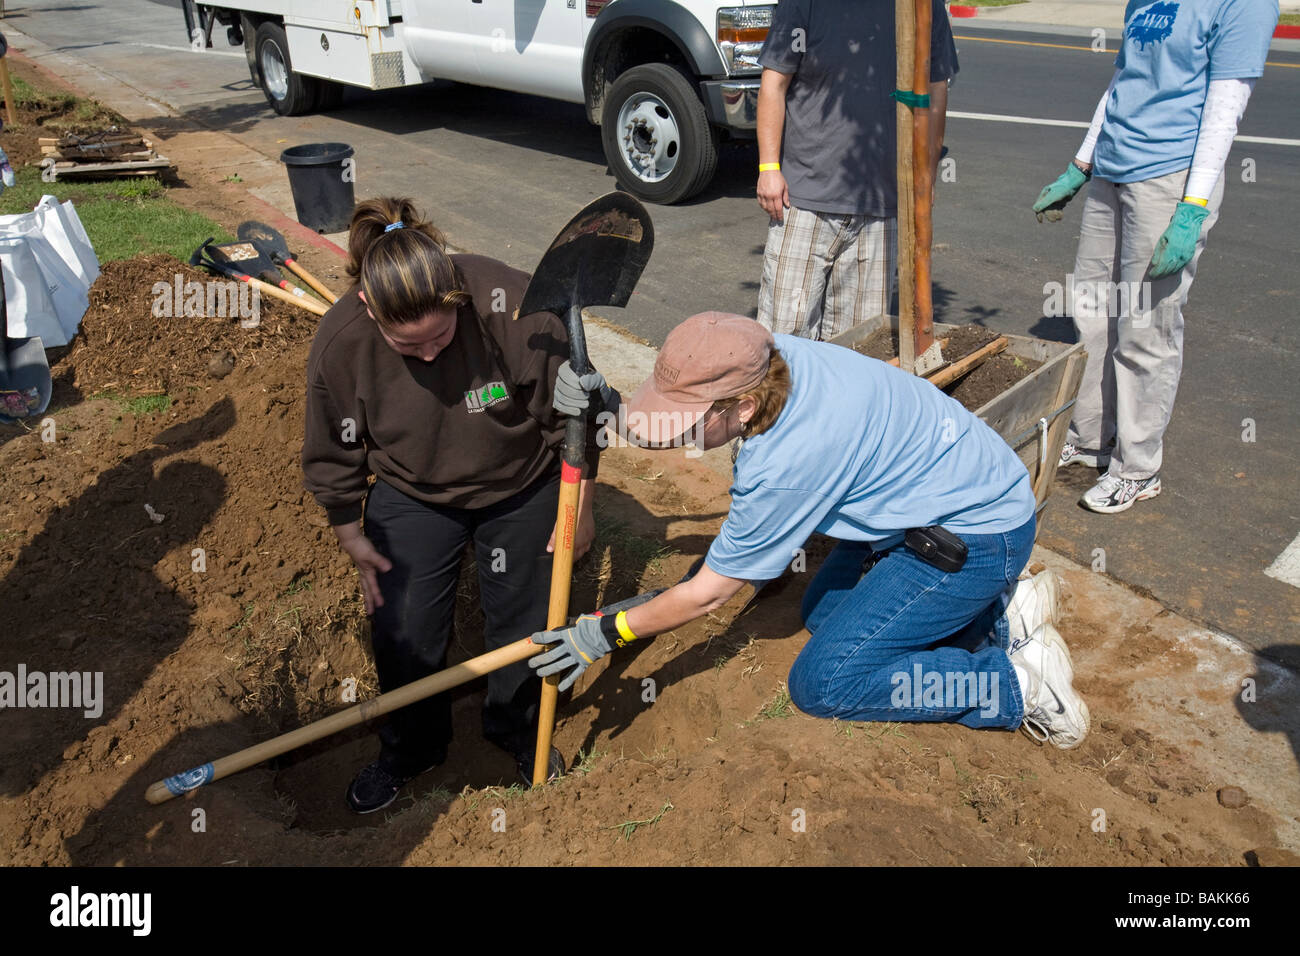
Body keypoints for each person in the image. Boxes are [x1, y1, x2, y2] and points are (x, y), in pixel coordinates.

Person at [529, 313, 1089, 749]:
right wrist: (610, 409)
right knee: (822, 614)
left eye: (689, 419)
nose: (682, 434)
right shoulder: (768, 355)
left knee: (827, 683)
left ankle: (1012, 684)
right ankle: (1000, 613)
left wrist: (605, 632)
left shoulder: (783, 467)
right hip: (940, 507)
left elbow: (711, 593)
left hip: (975, 537)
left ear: (743, 407)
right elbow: (682, 421)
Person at [302, 197, 614, 813]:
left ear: (456, 298)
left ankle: (520, 730)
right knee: (403, 627)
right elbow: (332, 449)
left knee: (528, 625)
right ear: (370, 308)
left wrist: (580, 509)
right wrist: (350, 532)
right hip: (412, 492)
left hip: (520, 482)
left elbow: (577, 422)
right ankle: (410, 749)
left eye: (440, 337)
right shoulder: (342, 343)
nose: (428, 357)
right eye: (406, 346)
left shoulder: (513, 305)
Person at [1033, 0, 1278, 513]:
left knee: (1146, 326)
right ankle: (1093, 436)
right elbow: (1122, 82)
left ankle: (1138, 467)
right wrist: (1081, 163)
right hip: (1110, 169)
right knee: (1093, 313)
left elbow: (1223, 110)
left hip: (1168, 181)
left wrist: (1192, 209)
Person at [754, 0, 957, 341]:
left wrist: (927, 173)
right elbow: (774, 84)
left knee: (857, 347)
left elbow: (936, 91)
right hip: (803, 200)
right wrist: (769, 167)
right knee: (783, 341)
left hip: (881, 205)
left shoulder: (923, 6)